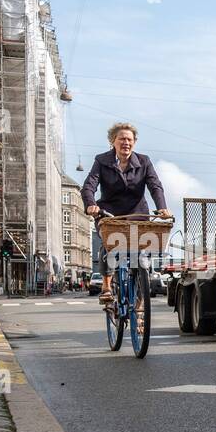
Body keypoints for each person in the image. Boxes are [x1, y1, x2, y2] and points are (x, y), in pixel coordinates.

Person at [81, 122, 171, 303]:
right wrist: (91, 204)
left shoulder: (144, 161)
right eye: (121, 139)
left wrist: (162, 207)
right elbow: (89, 185)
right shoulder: (101, 160)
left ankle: (139, 304)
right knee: (109, 244)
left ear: (134, 142)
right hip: (109, 212)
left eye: (129, 139)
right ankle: (106, 287)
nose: (126, 143)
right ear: (112, 141)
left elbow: (155, 185)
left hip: (137, 212)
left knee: (140, 255)